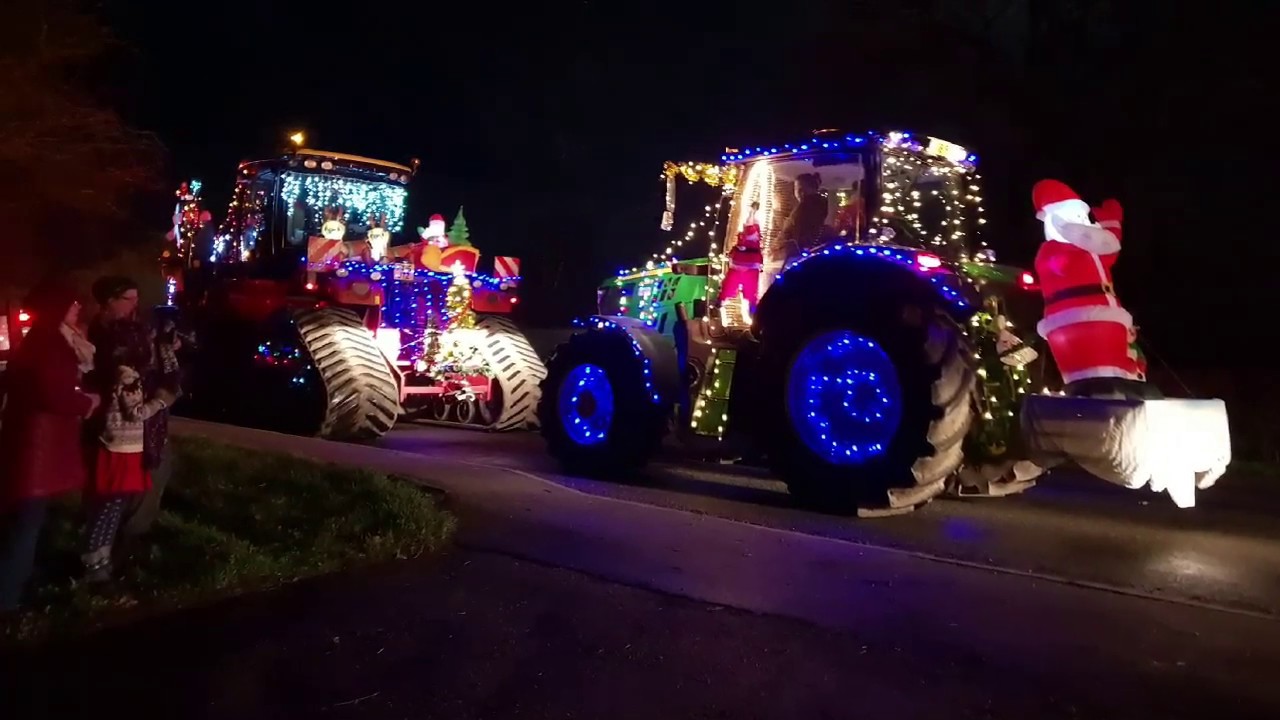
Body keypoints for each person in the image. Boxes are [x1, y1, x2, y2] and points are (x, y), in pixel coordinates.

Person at [0, 280, 101, 612]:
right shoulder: (50, 342)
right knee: (26, 522)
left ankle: (17, 585)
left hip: (32, 444)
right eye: (72, 302)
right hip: (37, 448)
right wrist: (86, 402)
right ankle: (8, 599)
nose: (77, 308)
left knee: (25, 519)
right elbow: (52, 391)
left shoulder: (43, 339)